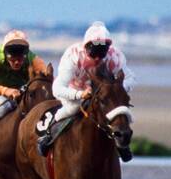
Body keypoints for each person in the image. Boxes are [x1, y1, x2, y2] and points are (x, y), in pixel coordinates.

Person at [39, 21, 136, 160]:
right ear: (86, 47)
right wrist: (79, 94)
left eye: (101, 53)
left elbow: (131, 78)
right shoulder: (73, 56)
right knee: (72, 109)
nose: (97, 58)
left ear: (108, 49)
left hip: (103, 93)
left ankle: (122, 145)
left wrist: (115, 90)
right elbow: (57, 88)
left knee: (119, 111)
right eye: (93, 53)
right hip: (75, 91)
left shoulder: (115, 57)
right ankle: (48, 135)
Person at [0, 29, 51, 161]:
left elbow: (46, 78)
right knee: (3, 107)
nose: (17, 62)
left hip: (19, 90)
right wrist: (6, 91)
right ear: (5, 54)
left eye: (20, 58)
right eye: (12, 58)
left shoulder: (33, 59)